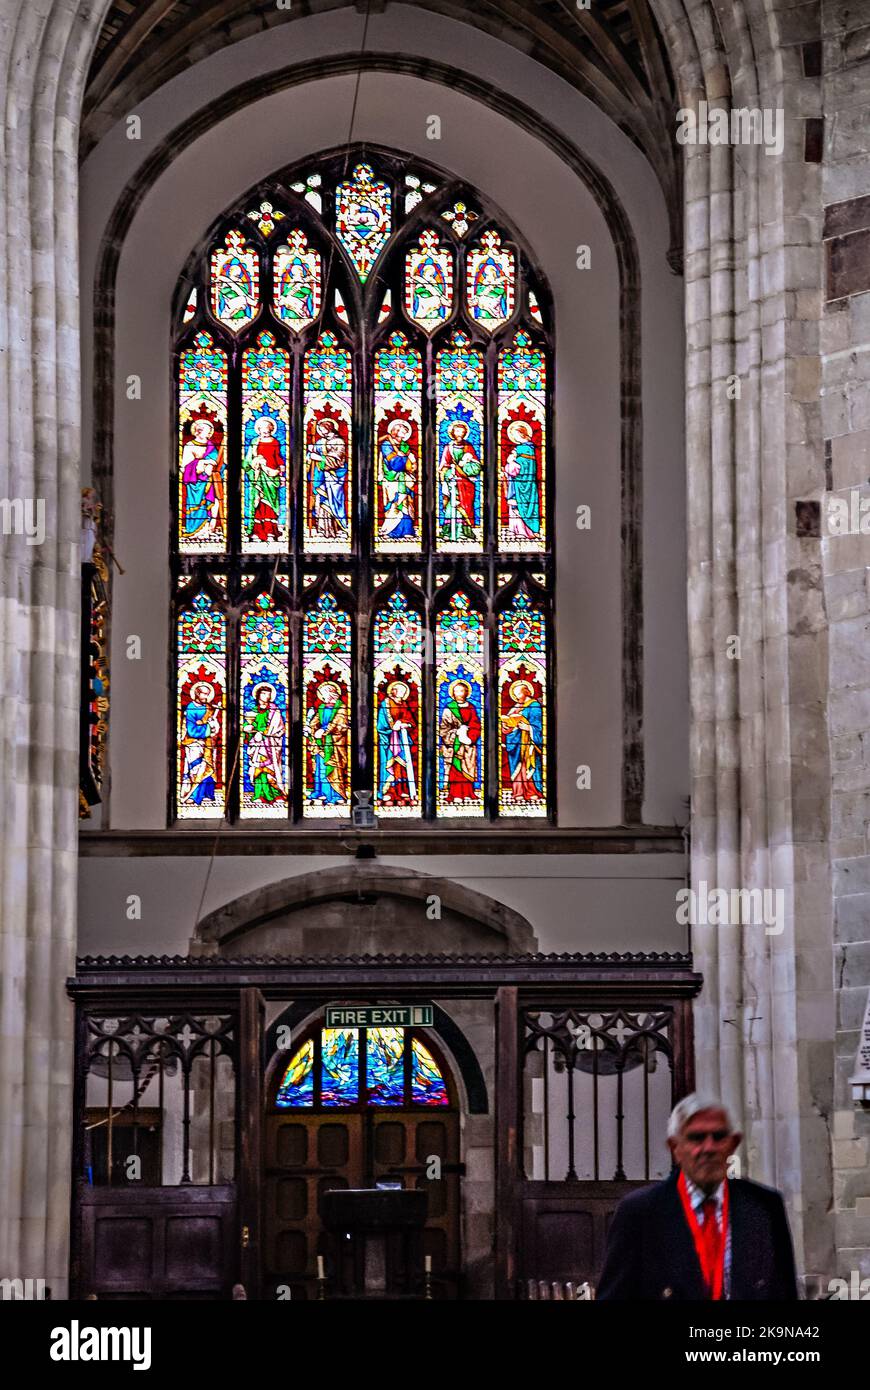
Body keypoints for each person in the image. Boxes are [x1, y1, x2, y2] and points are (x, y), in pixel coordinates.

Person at [596, 1093, 798, 1301]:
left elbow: (784, 1292)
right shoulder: (640, 1211)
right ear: (675, 1148)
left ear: (733, 1143)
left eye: (718, 1137)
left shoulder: (764, 1206)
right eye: (696, 1138)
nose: (709, 1148)